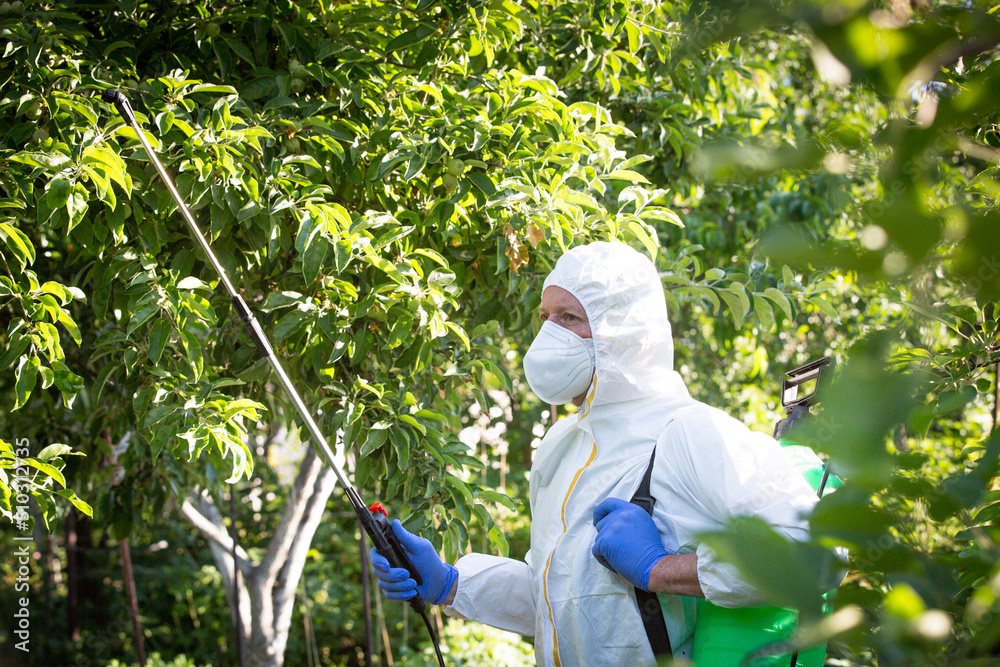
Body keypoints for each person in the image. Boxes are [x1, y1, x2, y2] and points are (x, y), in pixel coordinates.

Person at [369, 241, 822, 664]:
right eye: (545, 316)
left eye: (569, 317)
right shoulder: (559, 448)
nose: (549, 334)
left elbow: (814, 553)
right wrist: (452, 584)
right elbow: (560, 601)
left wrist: (661, 569)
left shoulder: (688, 431)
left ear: (622, 330)